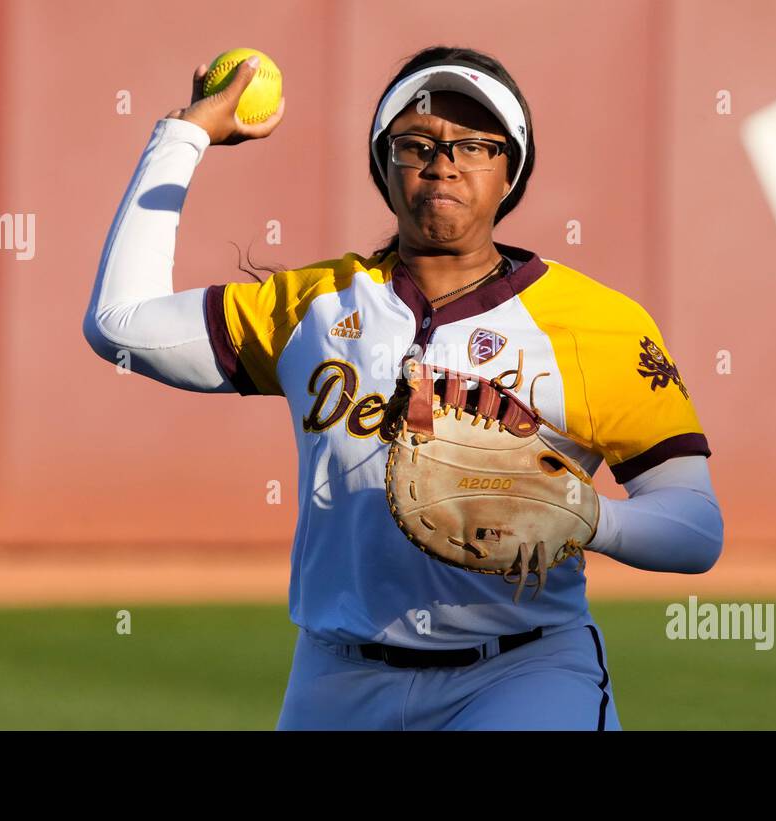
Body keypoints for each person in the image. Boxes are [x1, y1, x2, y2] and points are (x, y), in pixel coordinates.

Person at [83, 46, 724, 730]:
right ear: (384, 167)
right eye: (414, 142)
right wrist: (183, 136)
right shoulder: (316, 305)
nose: (442, 161)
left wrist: (594, 518)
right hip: (337, 678)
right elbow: (118, 325)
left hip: (522, 673)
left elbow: (696, 527)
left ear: (513, 169)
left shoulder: (600, 324)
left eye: (475, 144)